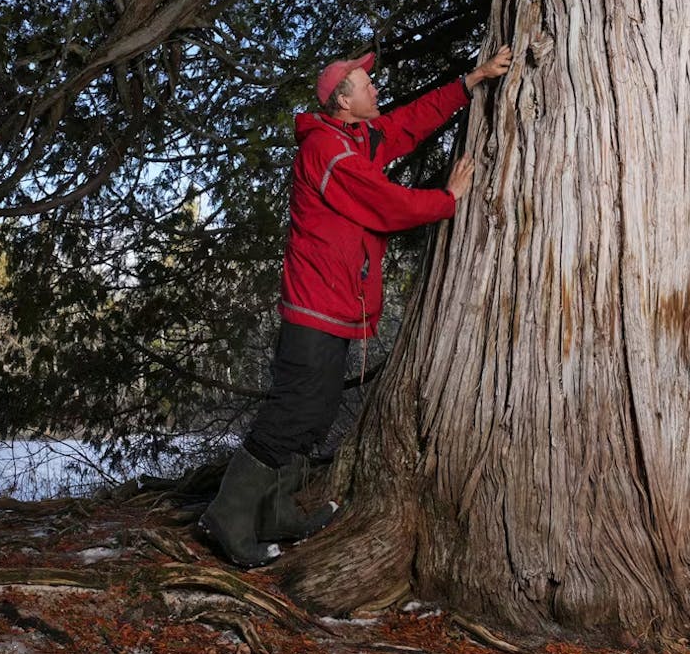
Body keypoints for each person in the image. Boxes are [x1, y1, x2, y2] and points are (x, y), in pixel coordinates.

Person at [200, 45, 513, 567]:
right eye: (366, 84)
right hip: (314, 309)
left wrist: (469, 82)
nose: (375, 88)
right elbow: (385, 204)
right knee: (289, 414)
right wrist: (447, 200)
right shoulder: (328, 151)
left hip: (336, 307)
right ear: (343, 101)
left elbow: (408, 124)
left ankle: (276, 510)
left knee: (314, 415)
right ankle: (227, 518)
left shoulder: (357, 137)